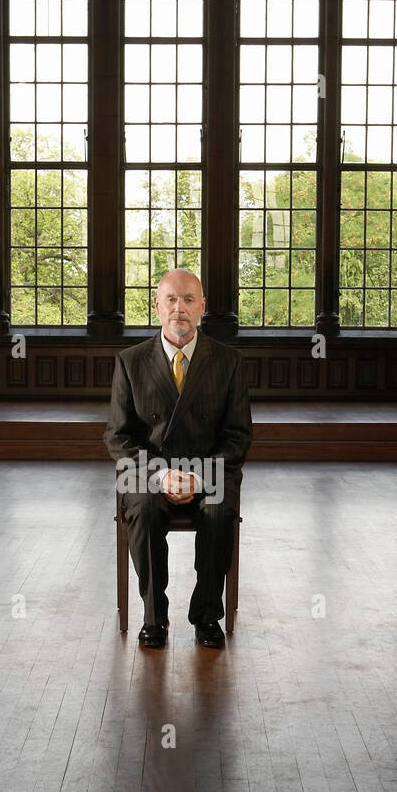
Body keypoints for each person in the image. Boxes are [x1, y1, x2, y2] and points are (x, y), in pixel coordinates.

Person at [103, 269, 253, 648]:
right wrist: (160, 476)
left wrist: (199, 479)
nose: (179, 308)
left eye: (188, 300)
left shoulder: (229, 362)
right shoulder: (129, 362)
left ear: (202, 307)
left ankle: (206, 615)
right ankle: (154, 617)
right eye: (171, 299)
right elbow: (117, 436)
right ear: (157, 306)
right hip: (148, 471)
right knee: (146, 509)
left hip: (210, 469)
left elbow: (238, 436)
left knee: (219, 512)